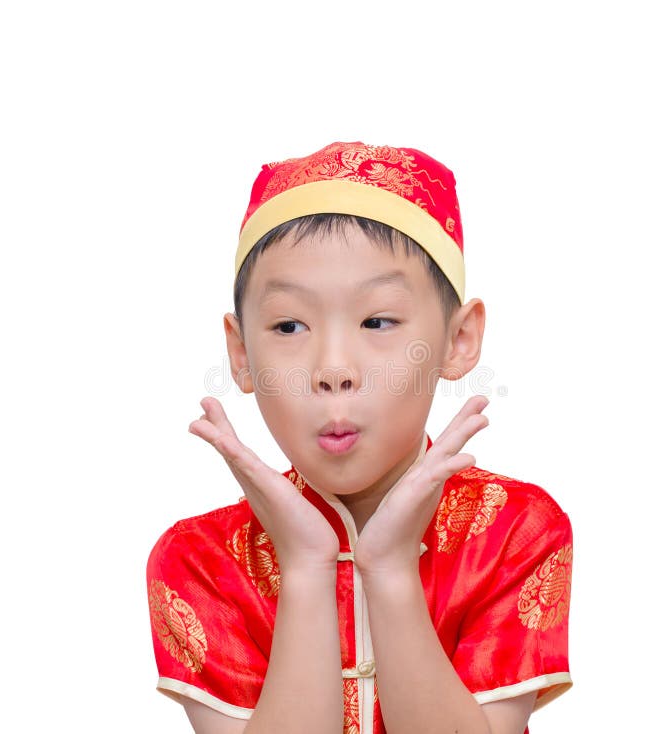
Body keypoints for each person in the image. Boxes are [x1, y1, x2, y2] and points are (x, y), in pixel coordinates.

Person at [146, 141, 573, 734]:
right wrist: (304, 569)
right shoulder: (201, 561)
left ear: (458, 340)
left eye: (377, 321)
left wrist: (393, 570)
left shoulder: (515, 531)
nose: (334, 368)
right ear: (241, 353)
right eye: (289, 325)